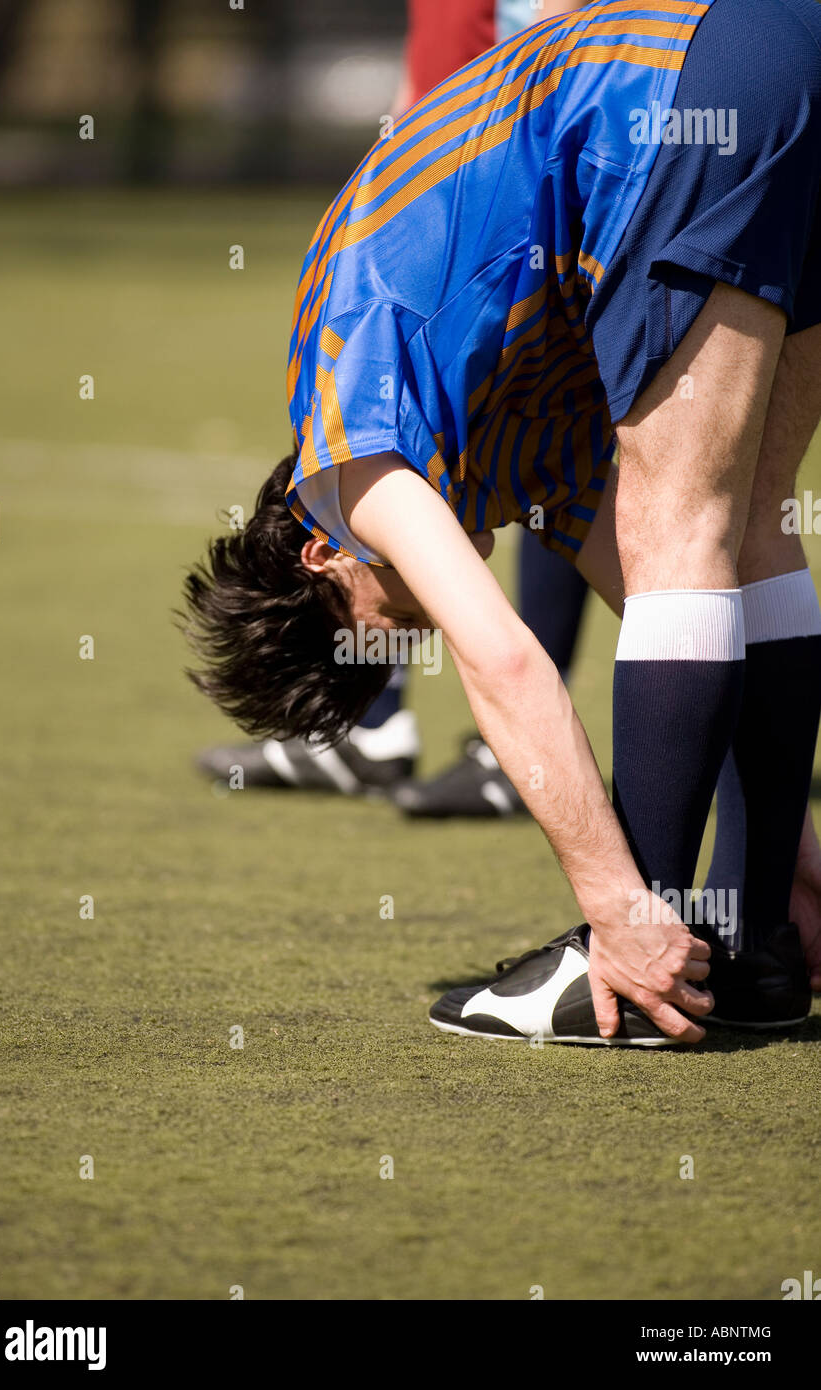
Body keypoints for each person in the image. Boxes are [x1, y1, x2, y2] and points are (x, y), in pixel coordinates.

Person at [183, 0, 821, 1046]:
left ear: (318, 551)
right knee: (745, 531)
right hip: (776, 42)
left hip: (670, 95)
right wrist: (795, 854)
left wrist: (617, 910)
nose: (427, 618)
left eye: (392, 618)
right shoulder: (481, 421)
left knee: (687, 530)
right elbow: (703, 630)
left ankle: (639, 960)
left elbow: (512, 664)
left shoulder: (343, 457)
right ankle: (758, 945)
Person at [197, 0, 591, 819]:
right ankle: (381, 726)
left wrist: (620, 909)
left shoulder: (361, 431)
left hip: (544, 148)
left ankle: (474, 747)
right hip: (487, 162)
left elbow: (581, 33)